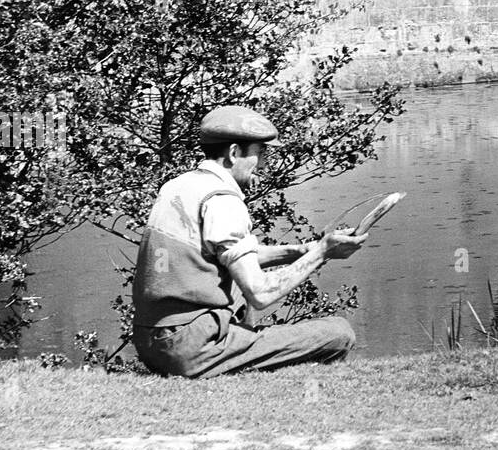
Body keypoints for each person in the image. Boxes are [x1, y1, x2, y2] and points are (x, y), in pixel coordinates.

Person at [131, 104, 365, 377]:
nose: (263, 164)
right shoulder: (222, 200)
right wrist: (322, 252)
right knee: (338, 332)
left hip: (152, 343)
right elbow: (261, 293)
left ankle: (240, 348)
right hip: (190, 347)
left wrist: (302, 250)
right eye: (260, 153)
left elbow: (221, 256)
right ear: (233, 153)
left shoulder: (178, 186)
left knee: (237, 289)